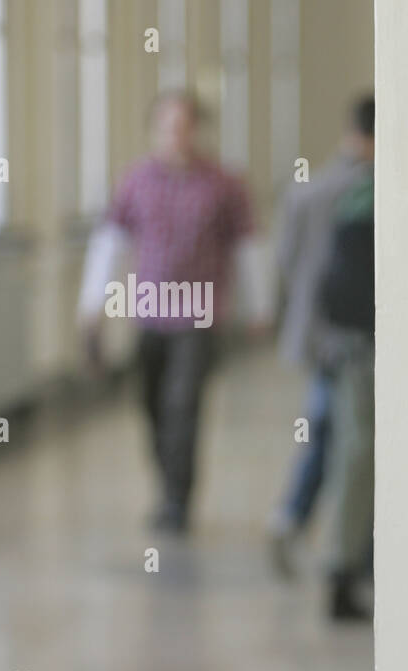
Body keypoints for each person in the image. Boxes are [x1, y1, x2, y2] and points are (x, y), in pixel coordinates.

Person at [78, 89, 266, 533]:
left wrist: (260, 306)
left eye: (184, 126)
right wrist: (93, 306)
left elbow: (248, 246)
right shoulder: (135, 181)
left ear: (196, 130)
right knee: (152, 404)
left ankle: (178, 501)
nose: (176, 135)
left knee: (183, 405)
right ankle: (167, 482)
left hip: (200, 315)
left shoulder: (223, 183)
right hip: (149, 313)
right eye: (168, 126)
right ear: (155, 129)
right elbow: (111, 243)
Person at [268, 94, 375, 576]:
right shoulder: (365, 189)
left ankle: (291, 520)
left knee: (328, 430)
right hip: (347, 338)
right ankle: (344, 549)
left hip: (314, 332)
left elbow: (285, 261)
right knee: (345, 437)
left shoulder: (308, 186)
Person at [317, 156, 374, 620]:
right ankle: (342, 569)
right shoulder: (365, 201)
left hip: (354, 349)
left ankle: (348, 565)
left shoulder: (361, 197)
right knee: (354, 455)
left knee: (351, 455)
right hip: (362, 353)